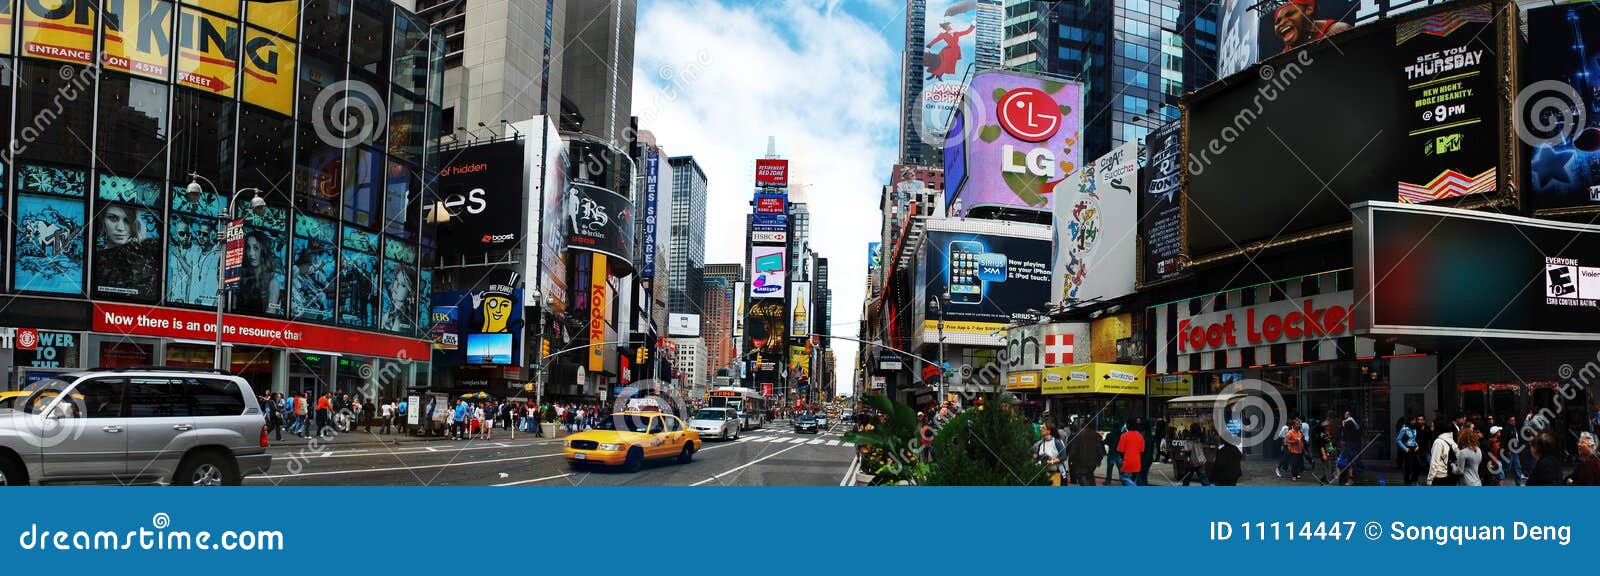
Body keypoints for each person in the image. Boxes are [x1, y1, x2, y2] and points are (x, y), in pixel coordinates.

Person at [1271, 0, 1352, 52]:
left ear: (1309, 10)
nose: (1281, 23)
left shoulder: (1337, 30)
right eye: (1278, 22)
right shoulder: (1286, 51)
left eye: (1290, 14)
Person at [1067, 422, 1104, 486]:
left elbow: (1073, 450)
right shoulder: (1096, 435)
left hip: (1080, 462)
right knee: (1090, 476)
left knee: (1083, 478)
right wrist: (1099, 460)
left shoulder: (1079, 435)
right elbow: (1100, 450)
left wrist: (1071, 460)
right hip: (1092, 462)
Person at [1425, 419, 1459, 486]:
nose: (1431, 429)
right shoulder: (1452, 440)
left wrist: (1429, 480)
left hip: (1440, 477)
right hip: (1452, 476)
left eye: (1433, 426)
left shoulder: (1438, 442)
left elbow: (1434, 463)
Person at [1116, 421, 1145, 487]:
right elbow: (1141, 450)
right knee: (1131, 480)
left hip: (1127, 461)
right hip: (1137, 462)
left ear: (1128, 426)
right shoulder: (1140, 436)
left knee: (1124, 478)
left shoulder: (1124, 435)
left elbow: (1120, 450)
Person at [1396, 415, 1421, 485]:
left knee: (1418, 465)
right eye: (1412, 420)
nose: (1414, 422)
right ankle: (1407, 482)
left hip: (1414, 449)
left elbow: (1413, 439)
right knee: (1408, 467)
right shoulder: (1404, 429)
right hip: (1408, 448)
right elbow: (1398, 440)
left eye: (1415, 420)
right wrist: (1405, 448)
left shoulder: (1414, 429)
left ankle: (1414, 480)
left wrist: (1417, 445)